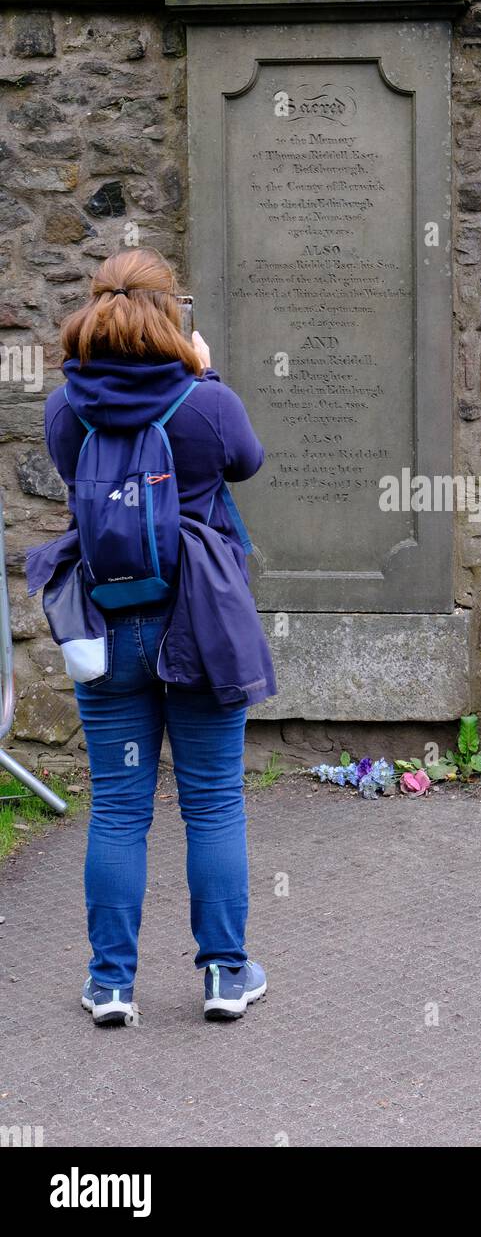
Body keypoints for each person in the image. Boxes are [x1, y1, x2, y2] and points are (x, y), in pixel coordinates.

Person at [37, 246, 272, 1026]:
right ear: (173, 312)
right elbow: (247, 461)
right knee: (211, 805)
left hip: (106, 630)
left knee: (117, 809)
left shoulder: (64, 409)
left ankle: (110, 985)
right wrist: (204, 374)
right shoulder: (205, 404)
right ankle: (226, 977)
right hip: (198, 626)